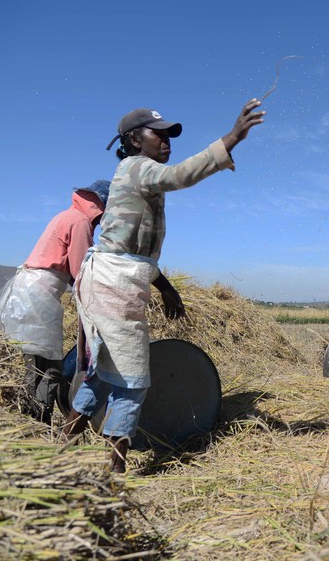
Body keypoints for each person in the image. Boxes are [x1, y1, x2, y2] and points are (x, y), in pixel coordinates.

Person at [63, 100, 265, 473]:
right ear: (134, 140)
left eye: (170, 134)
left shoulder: (137, 175)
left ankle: (66, 441)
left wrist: (165, 287)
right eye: (159, 133)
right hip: (113, 285)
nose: (167, 140)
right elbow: (180, 176)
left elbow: (136, 252)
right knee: (133, 380)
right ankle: (115, 470)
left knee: (100, 372)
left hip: (112, 280)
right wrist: (232, 139)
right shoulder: (138, 168)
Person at [0, 180, 111, 424]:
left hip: (30, 291)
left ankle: (28, 420)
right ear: (99, 207)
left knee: (35, 362)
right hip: (37, 296)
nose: (99, 223)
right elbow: (80, 271)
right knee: (48, 367)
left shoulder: (67, 215)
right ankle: (37, 423)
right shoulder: (80, 222)